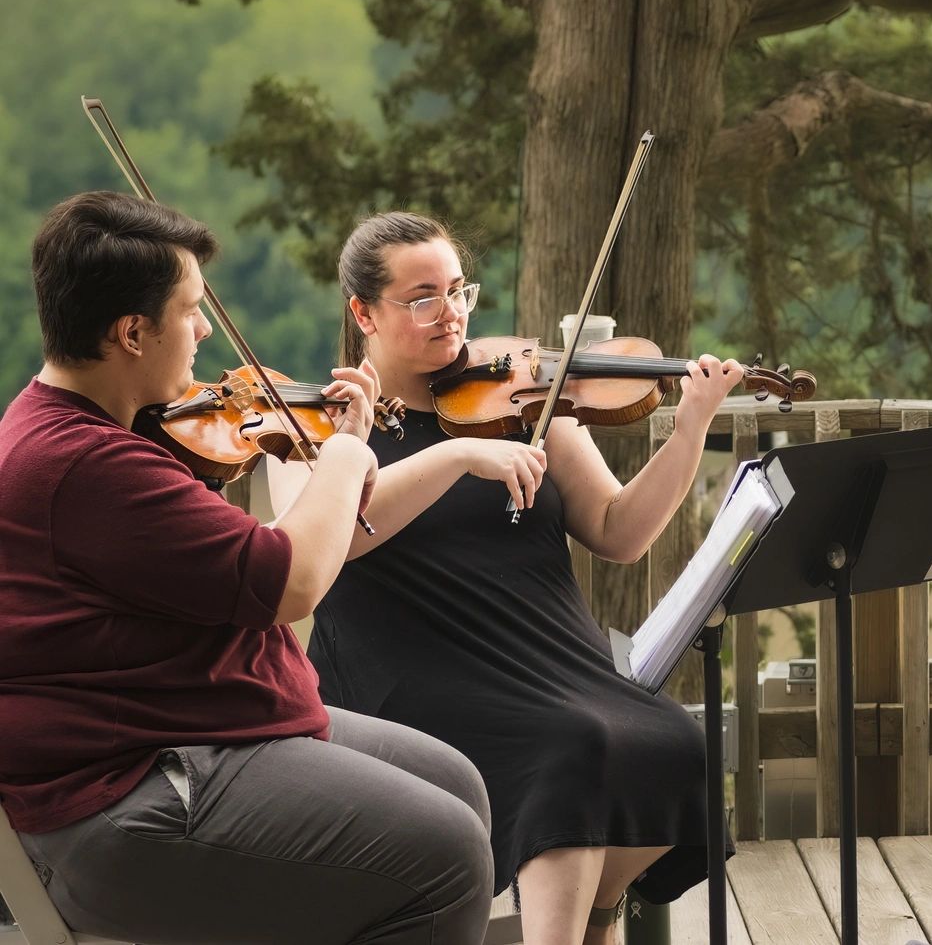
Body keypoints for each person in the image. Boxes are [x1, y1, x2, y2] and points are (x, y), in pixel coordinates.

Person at [0, 192, 495, 945]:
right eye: (191, 309)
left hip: (180, 733)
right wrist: (346, 450)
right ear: (132, 331)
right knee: (447, 854)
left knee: (456, 783)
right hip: (123, 807)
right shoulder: (88, 463)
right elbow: (287, 578)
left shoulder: (77, 425)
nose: (205, 330)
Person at [297, 211, 746, 945]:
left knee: (673, 741)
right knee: (568, 749)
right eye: (422, 298)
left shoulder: (518, 400)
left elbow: (619, 530)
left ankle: (595, 919)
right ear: (362, 312)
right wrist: (455, 458)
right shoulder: (324, 424)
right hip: (405, 673)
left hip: (547, 657)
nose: (452, 314)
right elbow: (332, 541)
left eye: (458, 290)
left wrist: (691, 427)